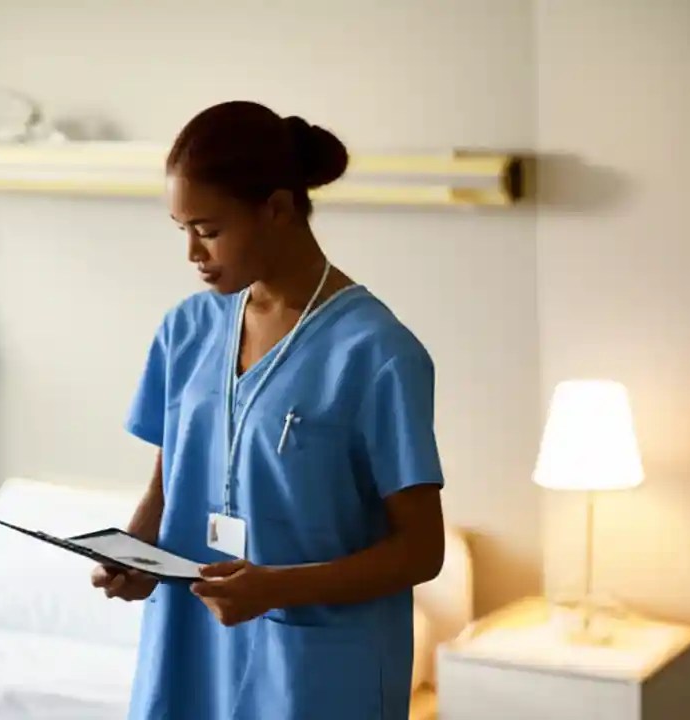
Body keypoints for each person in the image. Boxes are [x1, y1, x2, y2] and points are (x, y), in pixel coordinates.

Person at [91, 100, 447, 720]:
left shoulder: (377, 352)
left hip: (317, 667)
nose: (194, 254)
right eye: (183, 231)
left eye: (209, 229)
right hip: (191, 643)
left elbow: (422, 551)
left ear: (278, 208)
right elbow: (169, 473)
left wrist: (278, 587)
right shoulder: (187, 329)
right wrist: (136, 554)